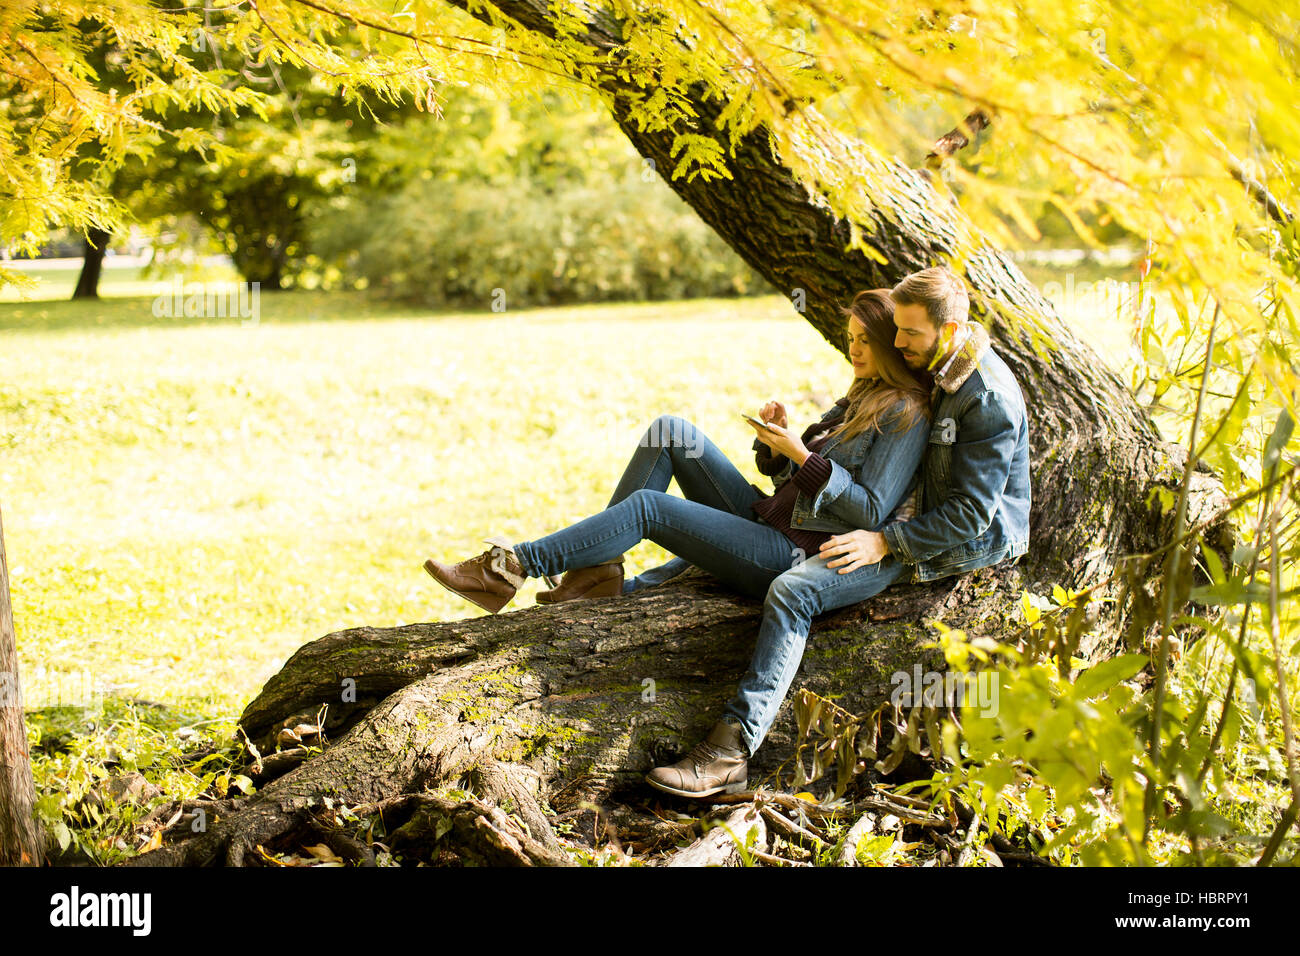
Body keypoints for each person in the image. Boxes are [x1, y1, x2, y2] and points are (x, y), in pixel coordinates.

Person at [423, 290, 931, 713]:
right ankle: (597, 573)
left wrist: (800, 453)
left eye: (867, 341)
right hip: (770, 517)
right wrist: (778, 443)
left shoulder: (906, 411)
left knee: (650, 507)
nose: (856, 350)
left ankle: (508, 569)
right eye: (850, 339)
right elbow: (798, 478)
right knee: (672, 432)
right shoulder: (858, 394)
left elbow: (868, 509)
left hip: (792, 553)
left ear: (890, 343)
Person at [642, 265, 1032, 797]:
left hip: (944, 542)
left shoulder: (985, 398)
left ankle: (733, 750)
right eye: (894, 329)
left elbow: (969, 517)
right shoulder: (924, 368)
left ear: (951, 329)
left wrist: (886, 541)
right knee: (742, 527)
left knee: (792, 590)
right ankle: (614, 584)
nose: (896, 342)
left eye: (910, 333)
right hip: (898, 516)